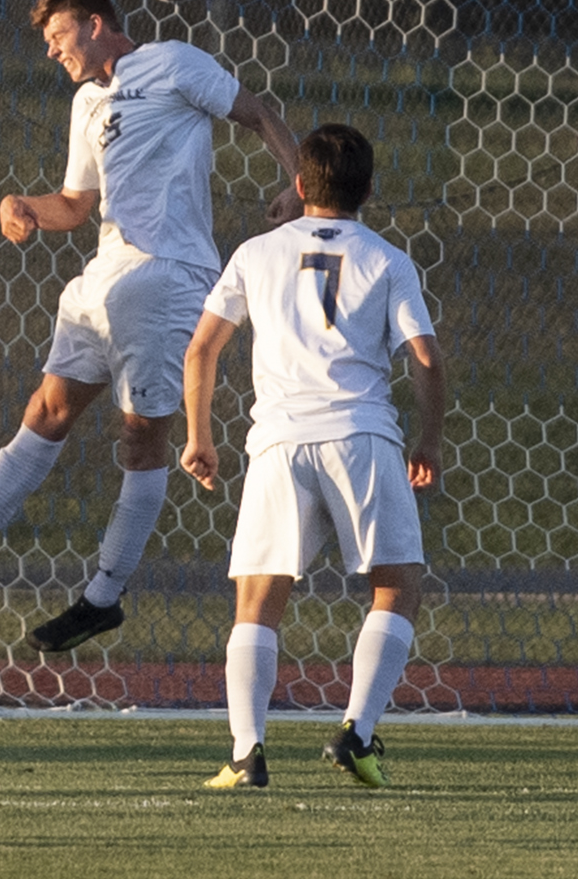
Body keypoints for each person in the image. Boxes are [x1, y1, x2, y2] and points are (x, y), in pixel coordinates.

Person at [0, 0, 299, 654]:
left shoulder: (175, 62)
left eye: (57, 36)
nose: (52, 51)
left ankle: (105, 594)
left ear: (96, 23)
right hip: (103, 276)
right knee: (45, 411)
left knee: (140, 440)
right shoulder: (86, 103)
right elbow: (76, 204)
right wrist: (24, 207)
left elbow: (257, 114)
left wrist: (295, 181)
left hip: (166, 278)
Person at [180, 124, 445, 789]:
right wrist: (428, 440)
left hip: (278, 441)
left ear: (298, 186)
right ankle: (356, 734)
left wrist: (200, 435)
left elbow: (202, 349)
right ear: (370, 191)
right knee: (397, 583)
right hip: (362, 434)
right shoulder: (387, 258)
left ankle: (247, 752)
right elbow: (427, 359)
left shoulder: (255, 252)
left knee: (259, 599)